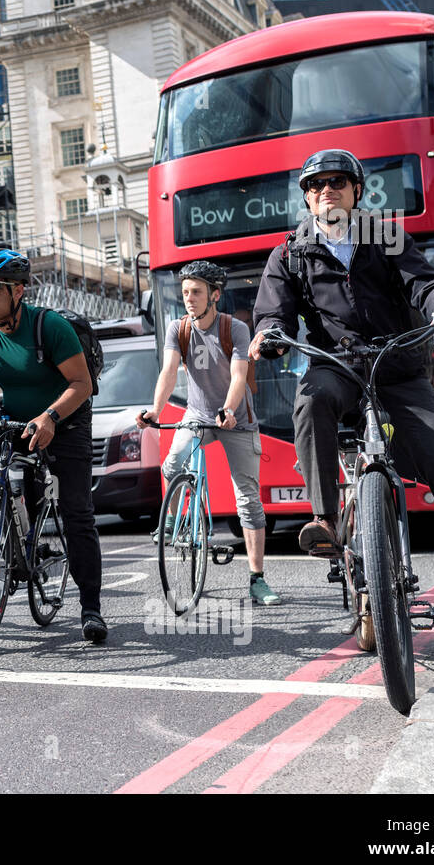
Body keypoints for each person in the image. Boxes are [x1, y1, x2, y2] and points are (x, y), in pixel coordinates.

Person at [249, 148, 434, 640]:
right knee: (310, 398)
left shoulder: (387, 236)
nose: (324, 190)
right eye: (314, 185)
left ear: (356, 191)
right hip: (338, 366)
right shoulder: (289, 253)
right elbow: (275, 312)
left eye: (336, 181)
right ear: (307, 199)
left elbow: (426, 285)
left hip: (397, 369)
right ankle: (326, 521)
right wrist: (268, 333)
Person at [0, 249, 106, 642]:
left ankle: (91, 608)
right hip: (15, 420)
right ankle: (9, 518)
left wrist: (50, 418)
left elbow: (83, 385)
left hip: (66, 420)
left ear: (18, 291)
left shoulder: (51, 327)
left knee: (78, 513)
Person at [137, 260, 278, 606]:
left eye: (196, 292)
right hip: (198, 414)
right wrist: (155, 410)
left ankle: (257, 579)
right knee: (172, 464)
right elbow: (169, 371)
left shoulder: (235, 330)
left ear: (215, 295)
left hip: (235, 420)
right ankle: (177, 522)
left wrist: (229, 410)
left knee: (247, 499)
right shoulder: (178, 328)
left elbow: (239, 376)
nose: (189, 298)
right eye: (185, 292)